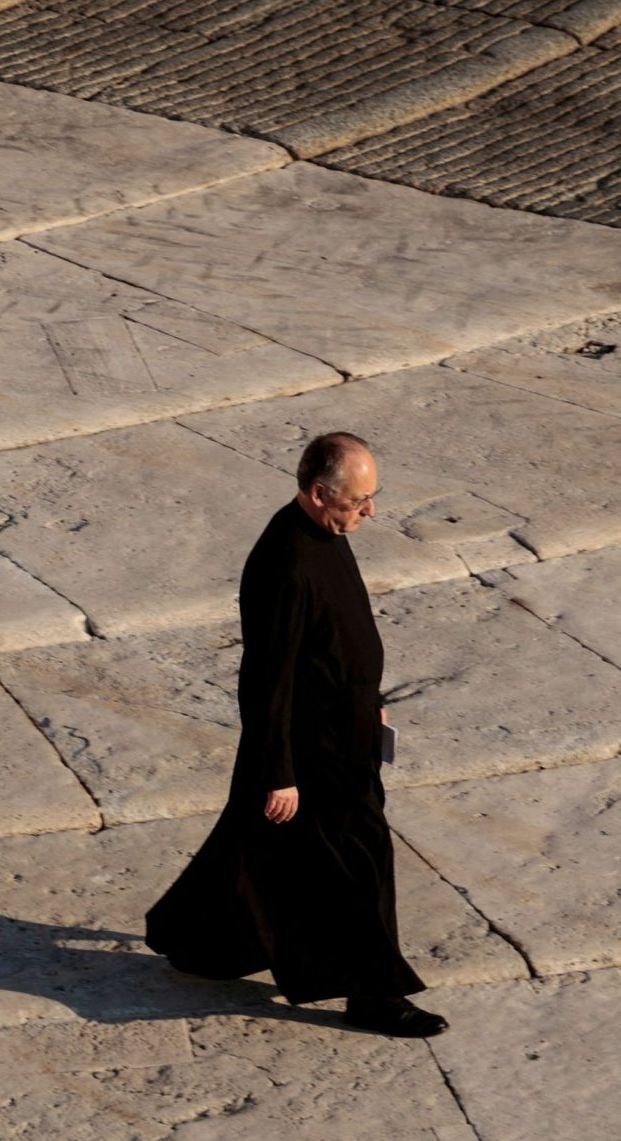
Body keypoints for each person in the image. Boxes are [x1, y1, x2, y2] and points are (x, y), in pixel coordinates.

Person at [144, 431, 447, 1038]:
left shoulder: (328, 534)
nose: (370, 512)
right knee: (361, 862)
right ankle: (375, 997)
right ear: (318, 493)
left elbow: (339, 636)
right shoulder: (284, 561)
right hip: (314, 752)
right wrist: (276, 772)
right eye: (359, 501)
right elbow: (266, 679)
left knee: (256, 847)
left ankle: (197, 944)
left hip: (349, 728)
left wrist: (370, 702)